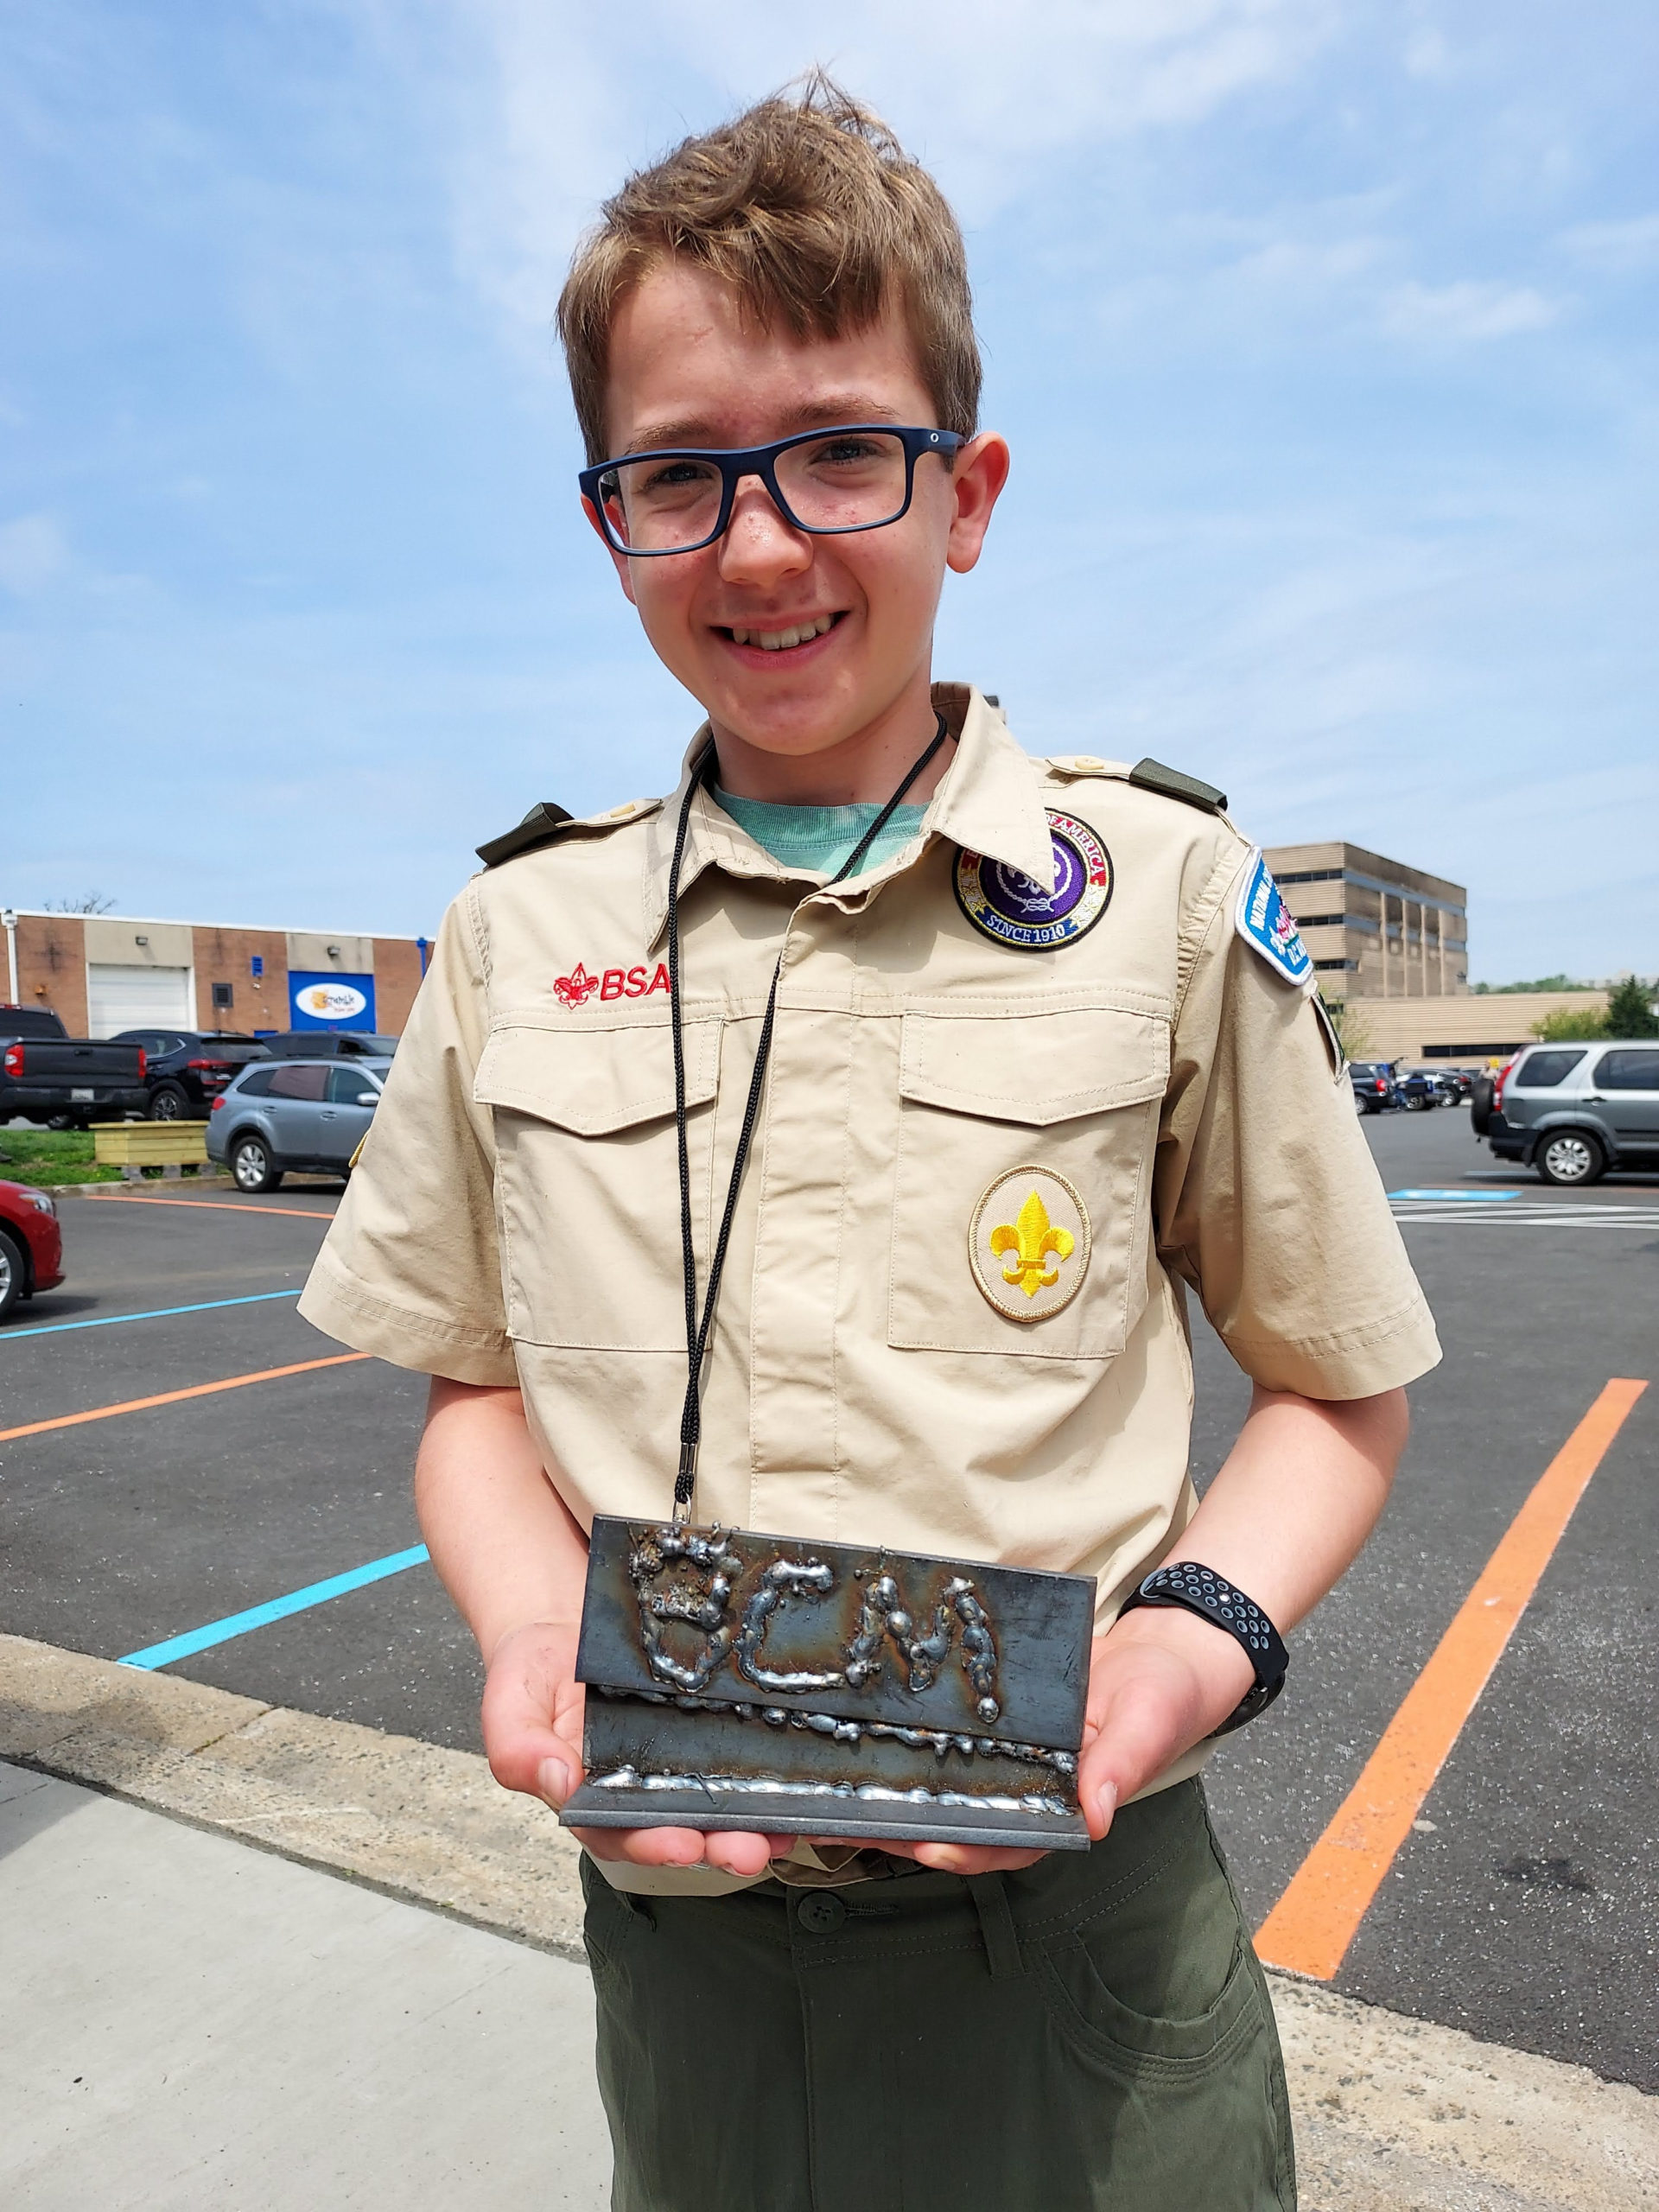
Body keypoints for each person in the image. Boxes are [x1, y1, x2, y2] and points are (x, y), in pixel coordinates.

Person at [299, 75, 1440, 2212]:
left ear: (967, 490)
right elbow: (471, 1387)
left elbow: (1336, 1387)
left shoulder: (1164, 891)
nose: (760, 541)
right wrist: (537, 1631)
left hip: (1080, 1960)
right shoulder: (519, 930)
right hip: (685, 1968)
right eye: (678, 476)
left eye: (840, 452)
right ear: (605, 515)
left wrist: (1180, 1648)